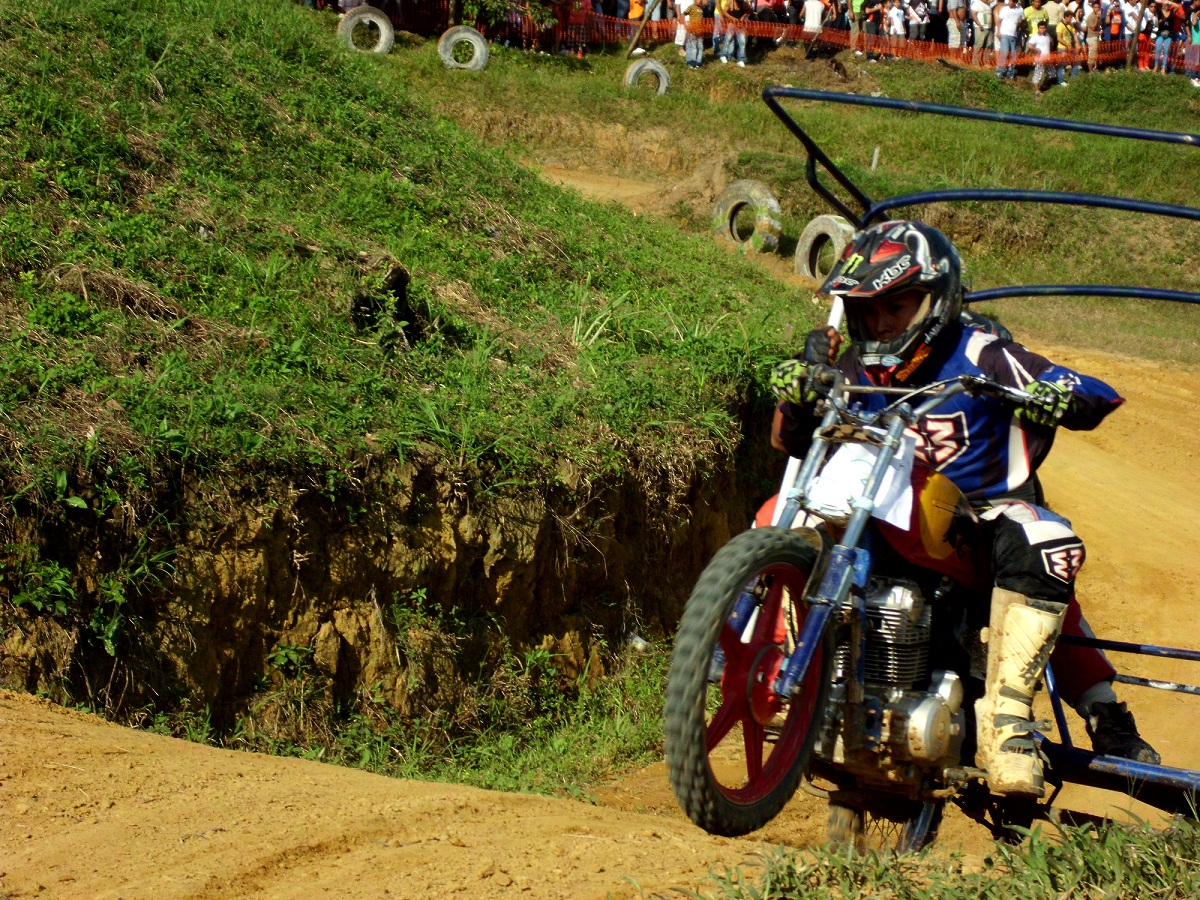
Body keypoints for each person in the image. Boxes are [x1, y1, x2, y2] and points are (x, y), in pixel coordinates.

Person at [770, 220, 1161, 797]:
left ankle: (1018, 726)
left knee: (1044, 543)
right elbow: (790, 443)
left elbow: (1090, 390)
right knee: (787, 511)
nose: (880, 323)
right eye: (867, 310)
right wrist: (802, 392)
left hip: (981, 522)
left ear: (934, 301)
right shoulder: (850, 367)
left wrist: (1060, 393)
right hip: (890, 519)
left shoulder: (981, 352)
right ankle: (790, 674)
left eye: (896, 306)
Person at [996, 0, 1025, 75]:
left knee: (1013, 55)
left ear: (1015, 2)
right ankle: (1000, 71)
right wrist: (998, 32)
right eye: (1008, 1)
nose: (1008, 2)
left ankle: (1011, 71)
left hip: (1014, 35)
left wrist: (1020, 23)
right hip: (1004, 33)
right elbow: (999, 21)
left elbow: (1022, 21)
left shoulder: (1020, 10)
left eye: (1010, 1)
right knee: (1004, 53)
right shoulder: (1004, 9)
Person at [1029, 19, 1054, 91]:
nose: (1042, 30)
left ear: (1046, 28)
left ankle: (1044, 85)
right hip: (1040, 59)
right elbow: (1029, 45)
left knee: (1052, 73)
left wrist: (1050, 51)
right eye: (1040, 28)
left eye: (1044, 28)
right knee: (1038, 74)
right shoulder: (1036, 36)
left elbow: (1051, 42)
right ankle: (1037, 91)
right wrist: (1036, 49)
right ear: (1038, 28)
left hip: (1047, 58)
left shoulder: (1047, 35)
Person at [1188, 5, 1200, 85]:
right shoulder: (1195, 18)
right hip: (1196, 43)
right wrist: (1196, 14)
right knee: (1195, 62)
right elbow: (1194, 23)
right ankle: (1193, 77)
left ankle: (1198, 78)